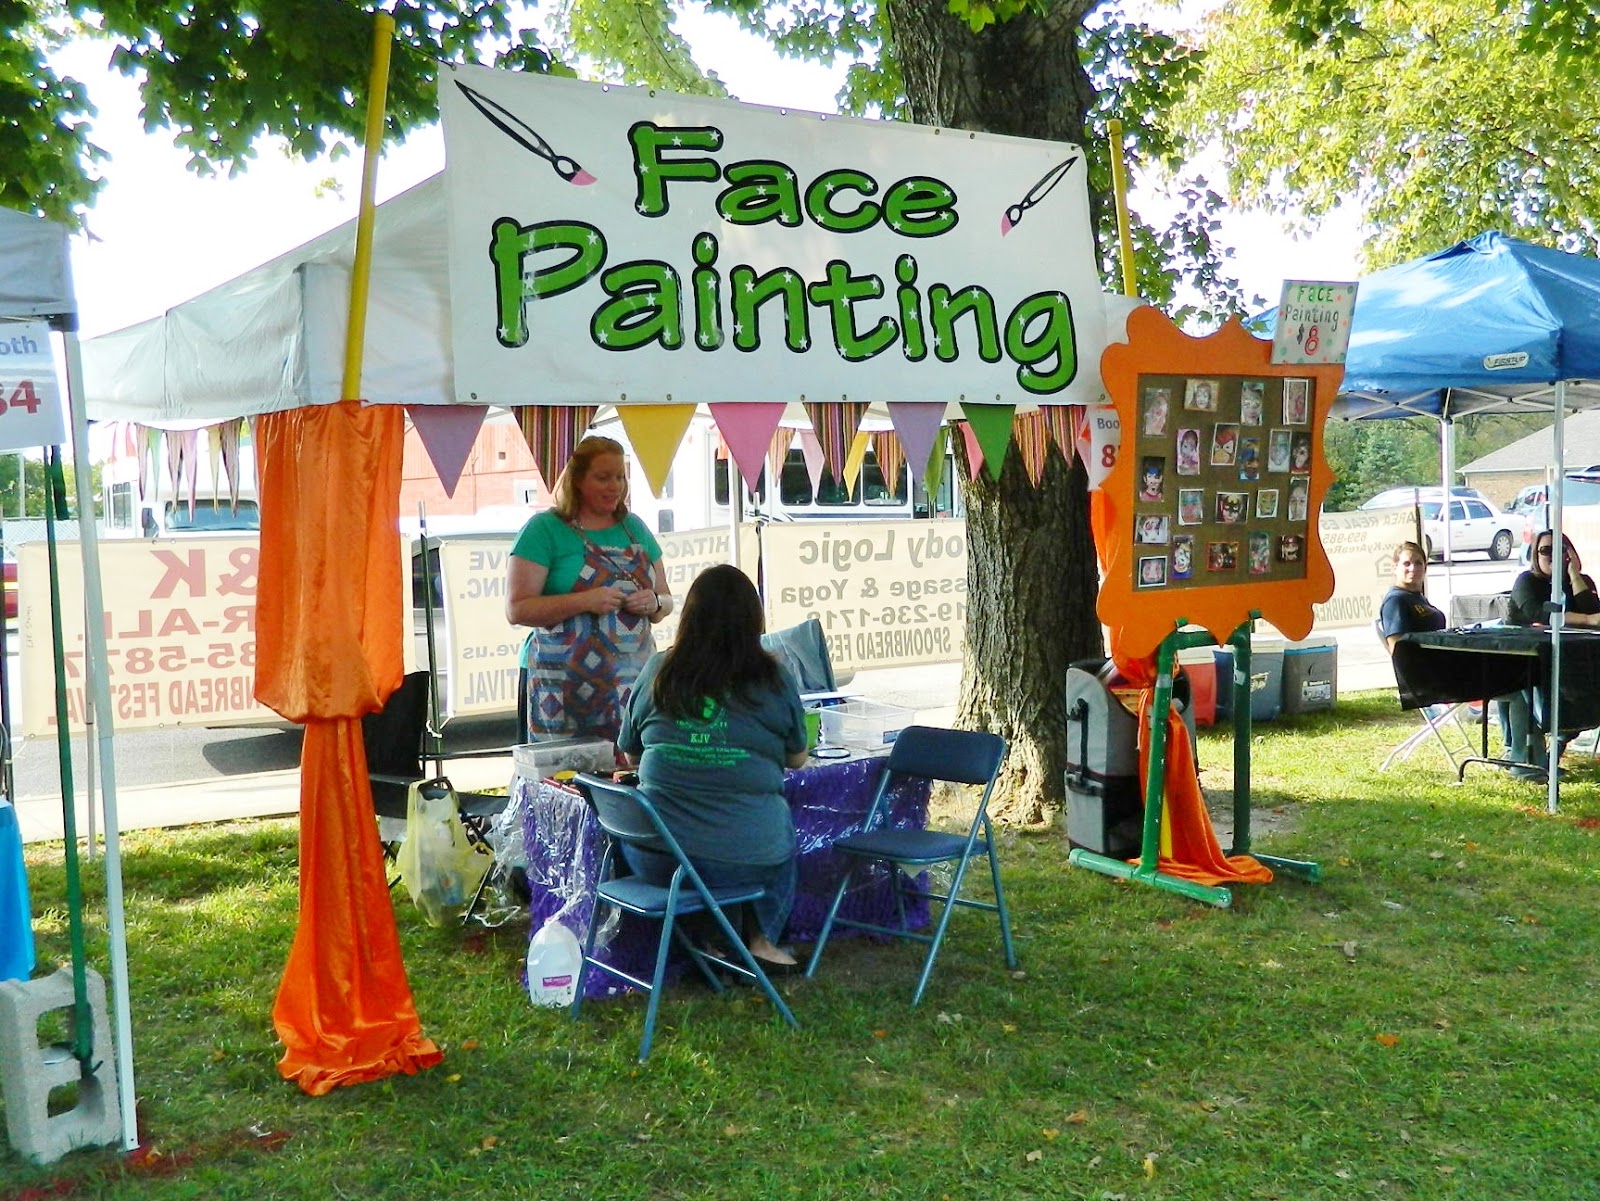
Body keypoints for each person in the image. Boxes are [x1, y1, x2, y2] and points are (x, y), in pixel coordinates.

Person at [617, 565, 809, 970]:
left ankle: (707, 939)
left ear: (689, 616)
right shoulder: (773, 678)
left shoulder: (658, 670)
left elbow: (631, 755)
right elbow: (796, 758)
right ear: (754, 619)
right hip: (742, 858)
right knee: (772, 830)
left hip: (654, 858)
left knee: (725, 847)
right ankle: (758, 941)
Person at [506, 435, 674, 744]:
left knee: (629, 763)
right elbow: (517, 609)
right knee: (565, 770)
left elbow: (666, 599)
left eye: (620, 477)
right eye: (603, 477)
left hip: (630, 687)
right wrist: (584, 601)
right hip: (560, 691)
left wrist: (655, 602)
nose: (615, 486)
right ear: (577, 481)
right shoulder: (544, 529)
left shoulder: (634, 527)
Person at [1378, 541, 1445, 652]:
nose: (1413, 568)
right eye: (1406, 563)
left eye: (1418, 563)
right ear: (1395, 568)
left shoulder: (1417, 597)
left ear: (1425, 568)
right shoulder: (1396, 601)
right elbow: (1398, 651)